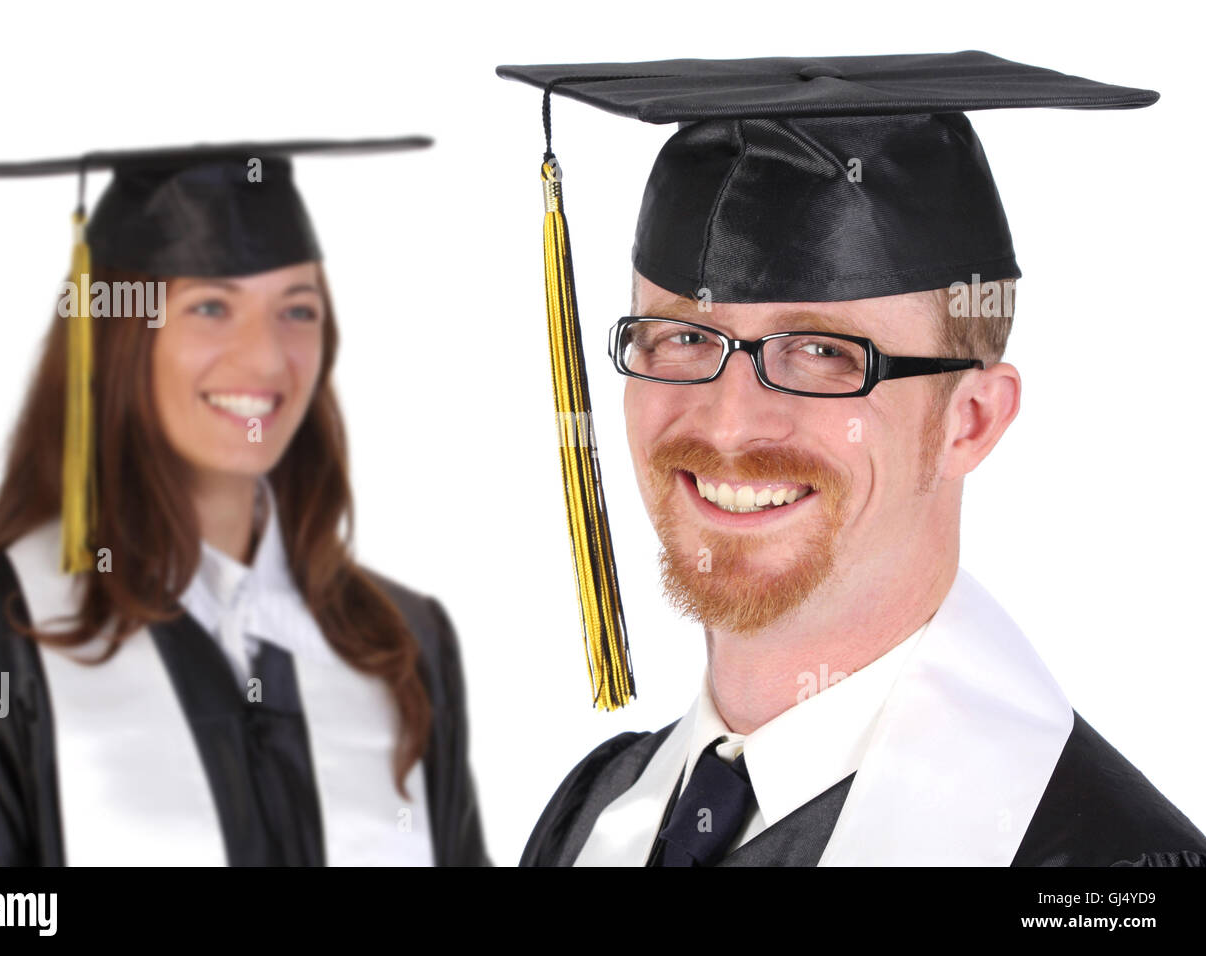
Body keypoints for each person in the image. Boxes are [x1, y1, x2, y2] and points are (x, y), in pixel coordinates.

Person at [497, 52, 1206, 866]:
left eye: (823, 353)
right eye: (685, 338)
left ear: (970, 421)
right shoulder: (596, 816)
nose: (731, 424)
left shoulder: (1102, 871)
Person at [0, 140, 489, 866]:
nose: (268, 358)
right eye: (211, 307)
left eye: (297, 310)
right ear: (114, 336)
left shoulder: (401, 643)